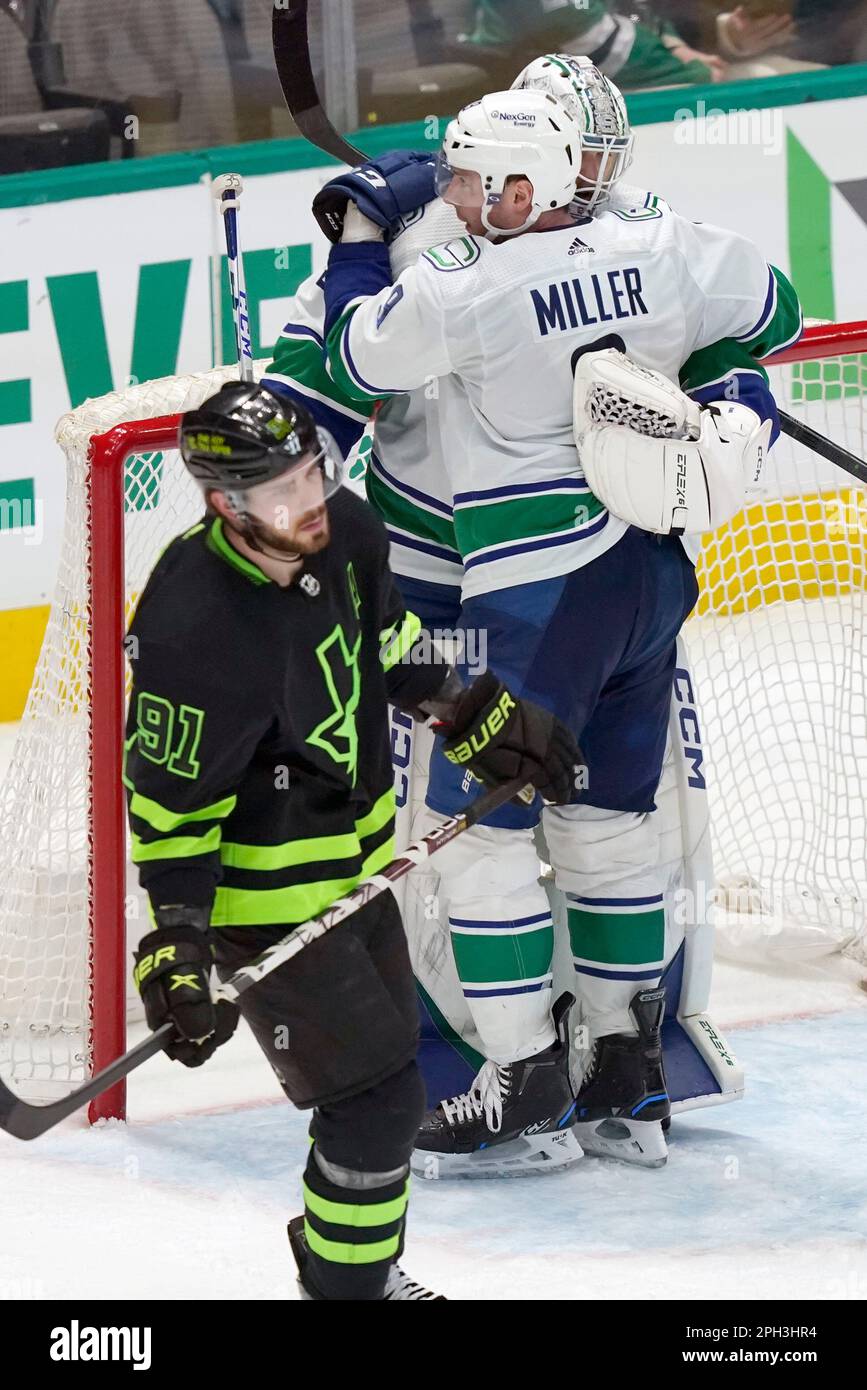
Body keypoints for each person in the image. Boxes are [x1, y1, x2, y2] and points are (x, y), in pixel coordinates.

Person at [315, 78, 803, 1176]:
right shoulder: (659, 236)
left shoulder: (466, 283)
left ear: (523, 186)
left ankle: (524, 1072)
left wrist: (358, 229)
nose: (453, 192)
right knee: (612, 820)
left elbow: (349, 353)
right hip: (649, 576)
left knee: (477, 838)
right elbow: (772, 310)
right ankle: (626, 1063)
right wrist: (740, 403)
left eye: (473, 179)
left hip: (535, 596)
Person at [123, 384, 581, 1300]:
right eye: (284, 489)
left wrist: (481, 718)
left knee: (382, 1082)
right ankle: (348, 1287)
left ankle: (349, 1259)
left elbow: (391, 644)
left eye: (313, 474)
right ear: (225, 504)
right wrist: (175, 941)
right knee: (375, 1104)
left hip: (365, 871)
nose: (310, 500)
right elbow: (170, 807)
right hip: (270, 907)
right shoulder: (188, 625)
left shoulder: (350, 531)